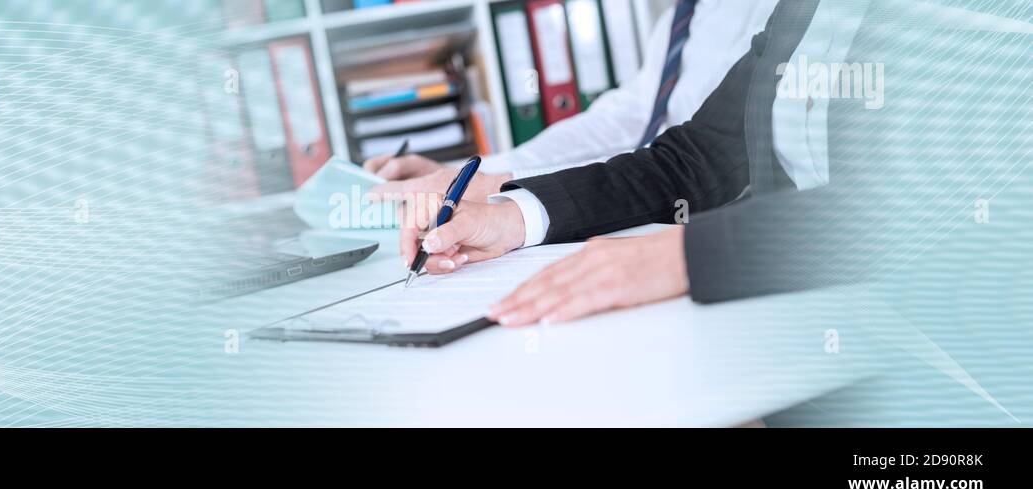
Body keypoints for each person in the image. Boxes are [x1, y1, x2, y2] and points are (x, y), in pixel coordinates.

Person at [402, 0, 900, 326]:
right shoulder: (803, 9)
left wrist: (683, 255)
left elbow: (914, 204)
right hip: (801, 311)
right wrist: (512, 215)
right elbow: (696, 159)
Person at [365, 0, 780, 205]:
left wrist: (506, 184)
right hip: (640, 201)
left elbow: (698, 157)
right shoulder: (685, 12)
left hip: (703, 215)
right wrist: (474, 174)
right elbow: (627, 117)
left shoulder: (777, 15)